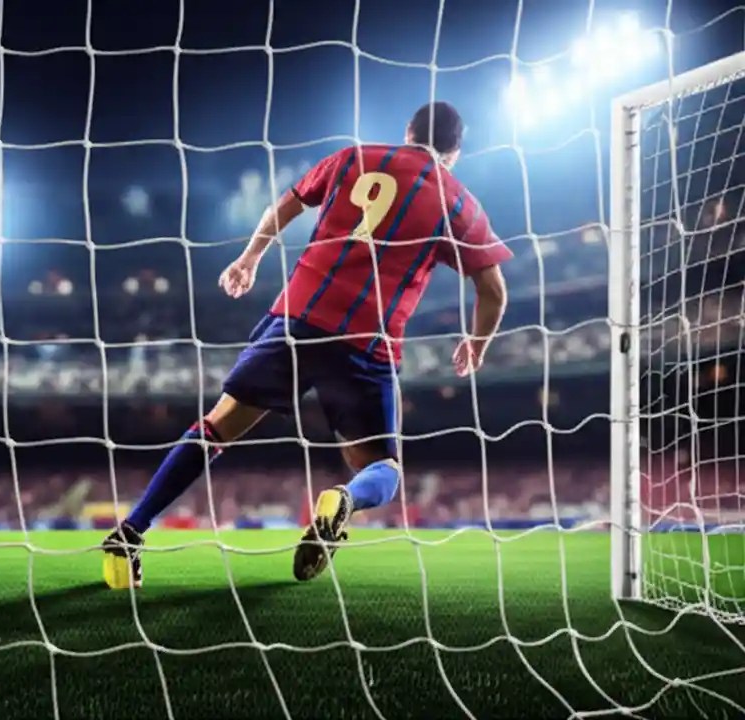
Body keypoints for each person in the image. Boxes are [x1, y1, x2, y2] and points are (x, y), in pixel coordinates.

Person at [102, 101, 512, 589]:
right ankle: (344, 499)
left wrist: (250, 256)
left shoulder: (351, 157)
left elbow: (287, 204)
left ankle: (129, 532)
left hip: (296, 318)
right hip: (364, 341)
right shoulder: (457, 200)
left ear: (406, 131)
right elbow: (493, 291)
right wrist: (477, 342)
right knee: (382, 468)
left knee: (214, 430)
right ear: (455, 151)